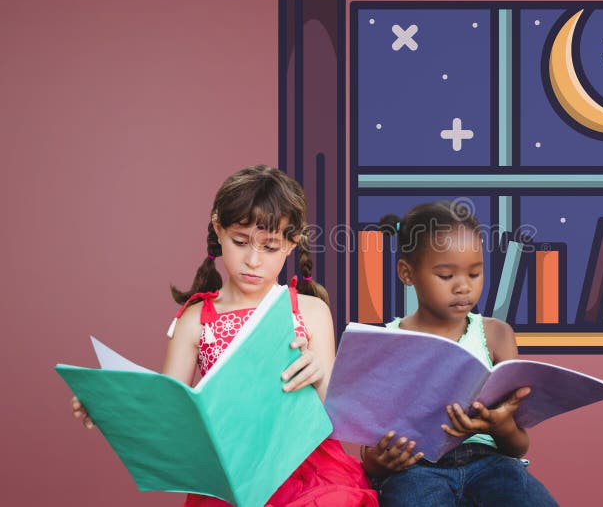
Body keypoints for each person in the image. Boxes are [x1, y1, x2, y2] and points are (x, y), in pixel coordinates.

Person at [72, 165, 378, 507]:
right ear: (218, 229)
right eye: (240, 241)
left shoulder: (310, 311)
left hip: (308, 472)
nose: (252, 260)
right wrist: (111, 406)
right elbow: (168, 413)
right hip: (232, 477)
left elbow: (337, 418)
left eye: (270, 247)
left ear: (292, 245)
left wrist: (320, 378)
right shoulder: (194, 320)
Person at [360, 200, 558, 507]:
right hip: (416, 468)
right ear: (407, 273)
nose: (463, 287)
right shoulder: (385, 341)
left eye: (475, 274)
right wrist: (378, 462)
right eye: (446, 276)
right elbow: (370, 451)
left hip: (491, 463)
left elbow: (518, 447)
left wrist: (499, 424)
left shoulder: (496, 334)